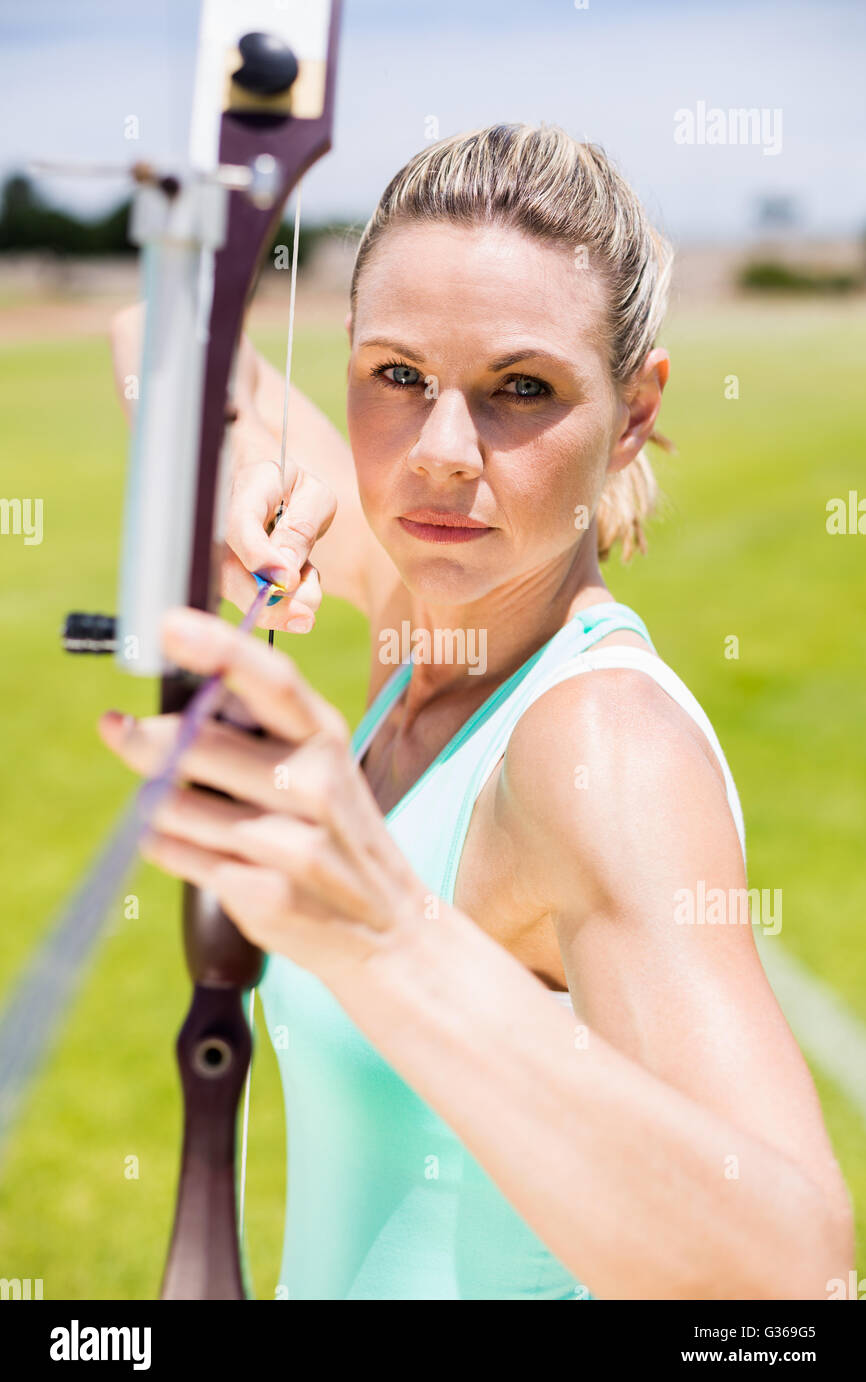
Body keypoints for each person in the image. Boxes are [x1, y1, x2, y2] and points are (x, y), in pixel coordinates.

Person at [104, 124, 853, 1299]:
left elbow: (789, 1282)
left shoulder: (593, 747)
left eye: (520, 391)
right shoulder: (425, 615)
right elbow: (161, 340)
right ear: (347, 357)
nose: (441, 456)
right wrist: (240, 473)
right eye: (397, 376)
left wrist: (386, 935)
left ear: (636, 407)